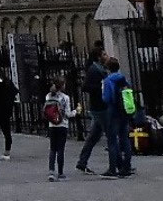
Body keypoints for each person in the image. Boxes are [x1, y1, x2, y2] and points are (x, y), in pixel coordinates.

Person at [76, 46, 108, 174]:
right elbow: (85, 87)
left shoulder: (101, 69)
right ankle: (121, 163)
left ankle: (82, 162)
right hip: (99, 107)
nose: (107, 56)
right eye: (104, 54)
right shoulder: (94, 70)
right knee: (111, 135)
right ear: (99, 56)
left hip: (99, 107)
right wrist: (100, 87)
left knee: (94, 136)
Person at [100, 57, 134, 178]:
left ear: (108, 68)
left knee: (112, 140)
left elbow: (107, 98)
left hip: (113, 111)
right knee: (125, 139)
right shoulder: (123, 79)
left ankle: (113, 168)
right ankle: (127, 166)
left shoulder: (108, 80)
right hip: (124, 111)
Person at [44, 76, 77, 181]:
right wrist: (76, 111)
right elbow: (67, 114)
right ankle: (61, 173)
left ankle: (51, 172)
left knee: (52, 149)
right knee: (60, 149)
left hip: (52, 125)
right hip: (62, 125)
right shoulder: (65, 98)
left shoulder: (48, 96)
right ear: (62, 86)